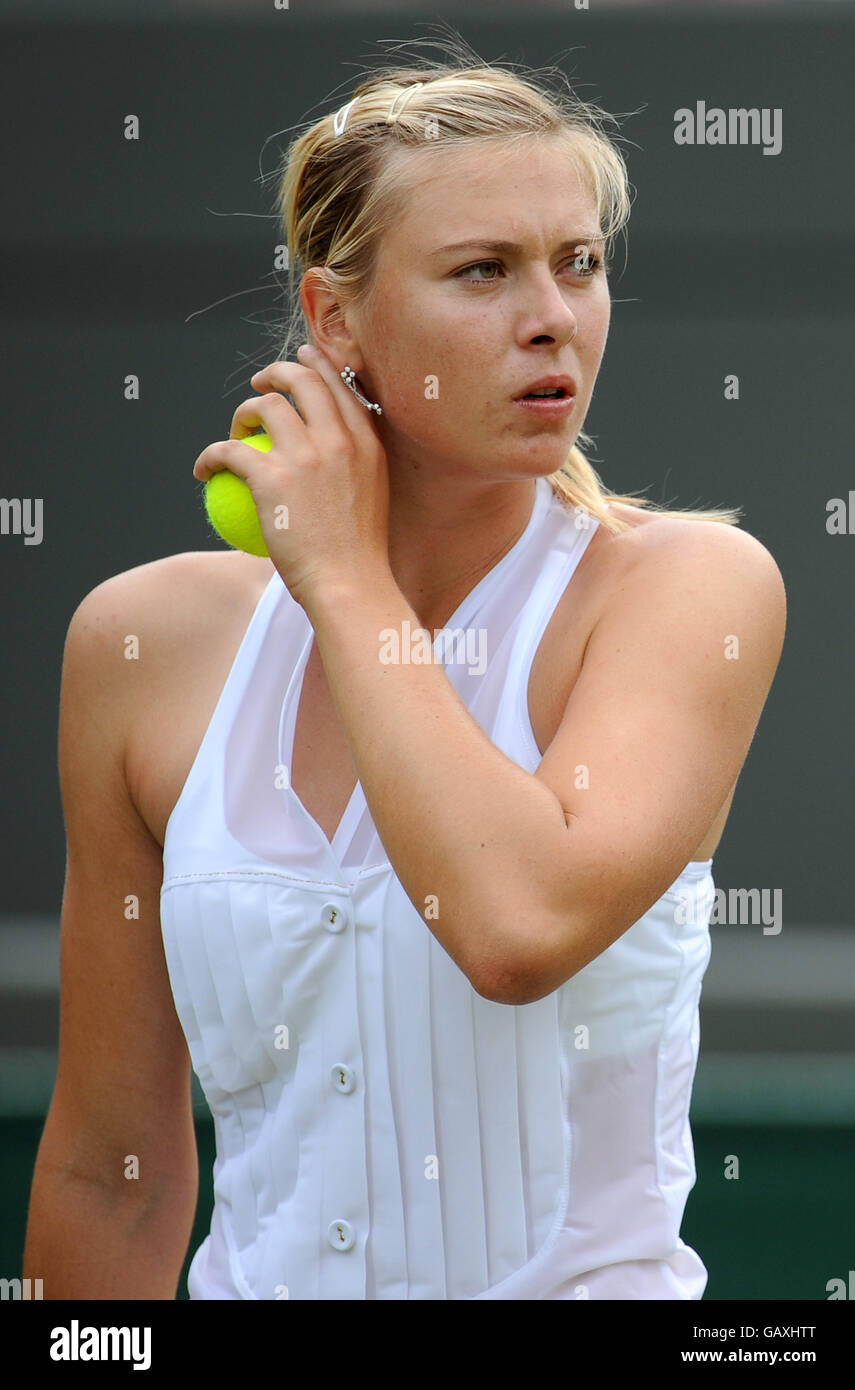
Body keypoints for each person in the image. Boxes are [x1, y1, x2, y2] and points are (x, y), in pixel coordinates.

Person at [24, 46, 786, 1301]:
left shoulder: (690, 586)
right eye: (482, 270)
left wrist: (341, 576)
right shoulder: (138, 641)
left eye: (577, 263)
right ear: (334, 319)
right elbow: (113, 1171)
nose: (551, 314)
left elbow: (514, 930)